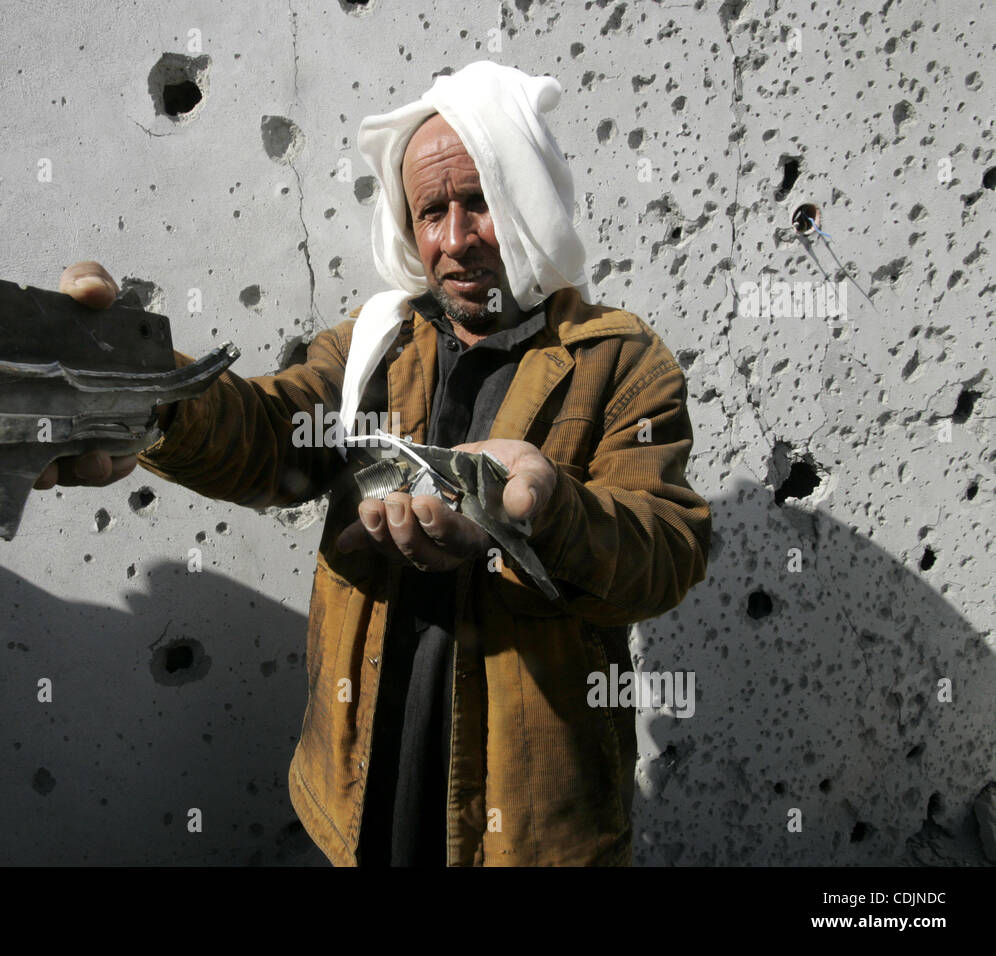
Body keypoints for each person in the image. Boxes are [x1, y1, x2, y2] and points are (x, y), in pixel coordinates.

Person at [37, 61, 711, 866]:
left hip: (530, 823)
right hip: (368, 791)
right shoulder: (376, 345)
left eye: (480, 202)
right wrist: (151, 394)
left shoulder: (620, 362)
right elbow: (268, 433)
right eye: (431, 212)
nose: (454, 240)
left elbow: (665, 551)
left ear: (529, 196)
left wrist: (541, 507)